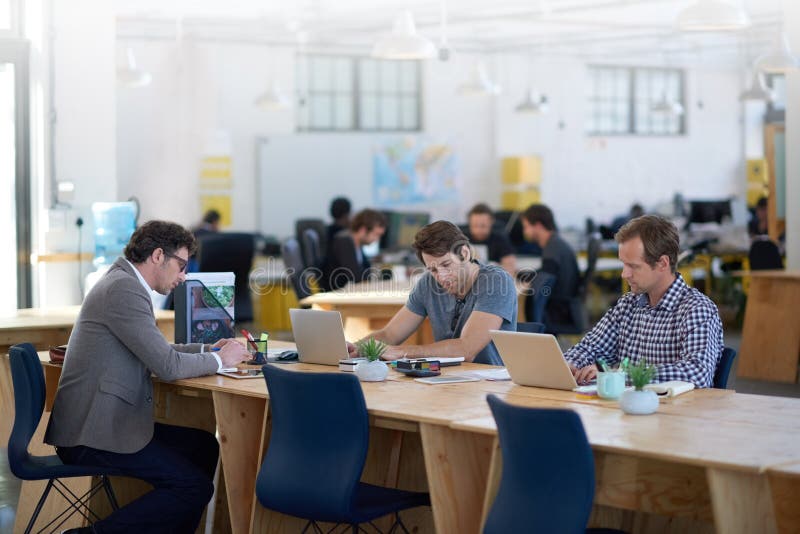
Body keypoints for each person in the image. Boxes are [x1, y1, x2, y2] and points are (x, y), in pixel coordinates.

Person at [45, 220, 251, 534]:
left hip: (109, 421)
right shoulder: (124, 290)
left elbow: (157, 349)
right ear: (157, 256)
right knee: (193, 487)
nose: (183, 276)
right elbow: (167, 366)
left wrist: (209, 347)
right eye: (181, 266)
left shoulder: (125, 282)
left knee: (204, 447)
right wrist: (219, 361)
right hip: (92, 432)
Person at [565, 215, 723, 388]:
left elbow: (696, 373)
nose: (624, 274)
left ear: (662, 263)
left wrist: (618, 375)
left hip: (675, 412)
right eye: (623, 264)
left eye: (633, 266)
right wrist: (569, 364)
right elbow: (591, 347)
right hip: (627, 410)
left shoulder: (697, 310)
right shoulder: (627, 305)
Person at [347, 221, 517, 365]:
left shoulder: (496, 281)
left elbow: (467, 349)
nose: (441, 277)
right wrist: (356, 349)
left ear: (464, 254)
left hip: (491, 385)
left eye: (446, 265)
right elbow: (390, 334)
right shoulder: (428, 283)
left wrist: (400, 352)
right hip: (446, 382)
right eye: (433, 269)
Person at [520, 204, 580, 324]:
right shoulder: (555, 244)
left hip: (556, 312)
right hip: (564, 307)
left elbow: (543, 285)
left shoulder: (552, 249)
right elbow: (545, 273)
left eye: (526, 227)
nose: (524, 231)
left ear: (537, 226)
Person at [322, 209, 386, 291]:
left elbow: (366, 270)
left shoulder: (357, 244)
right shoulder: (344, 241)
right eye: (376, 234)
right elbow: (356, 277)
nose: (377, 239)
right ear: (363, 230)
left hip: (348, 292)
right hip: (337, 296)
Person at [464, 203, 518, 276]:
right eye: (475, 226)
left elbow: (510, 269)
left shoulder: (500, 240)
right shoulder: (462, 240)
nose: (478, 230)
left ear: (491, 222)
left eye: (483, 226)